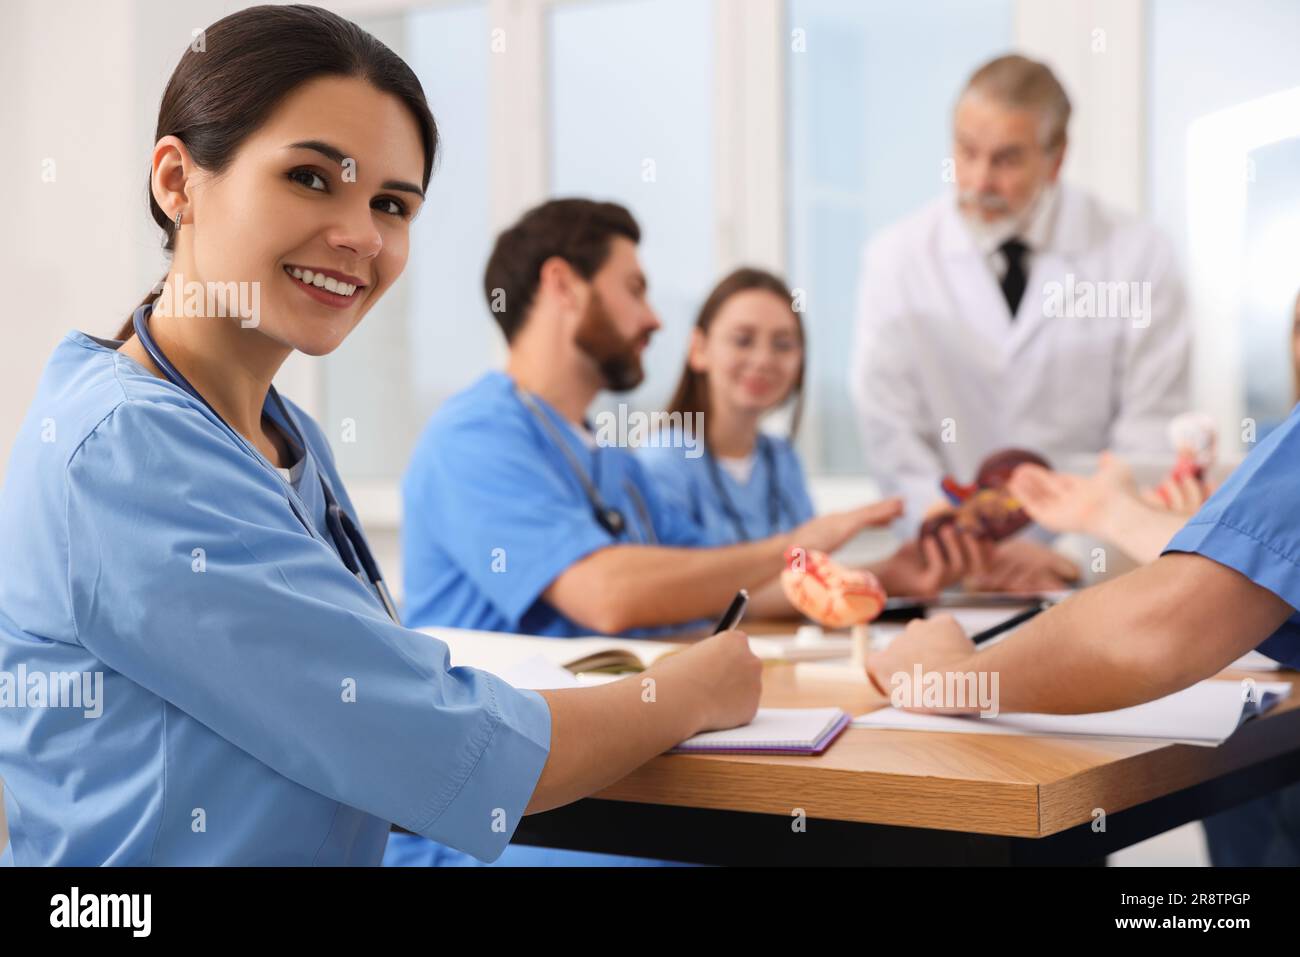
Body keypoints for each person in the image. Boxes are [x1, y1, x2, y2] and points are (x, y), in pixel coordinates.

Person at [0, 4, 762, 866]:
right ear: (177, 181)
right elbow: (442, 744)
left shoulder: (287, 437)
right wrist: (687, 688)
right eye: (312, 178)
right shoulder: (127, 453)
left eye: (392, 203)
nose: (362, 235)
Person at [850, 53, 1191, 588]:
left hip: (1087, 573)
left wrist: (1080, 550)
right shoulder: (896, 259)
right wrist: (948, 533)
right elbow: (889, 427)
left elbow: (1147, 432)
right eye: (966, 152)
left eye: (1007, 160)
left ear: (1056, 159)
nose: (980, 179)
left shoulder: (1138, 256)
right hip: (951, 569)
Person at [639, 266, 987, 605]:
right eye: (743, 340)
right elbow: (687, 601)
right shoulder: (662, 463)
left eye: (783, 344)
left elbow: (800, 580)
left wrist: (891, 573)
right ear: (699, 349)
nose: (763, 359)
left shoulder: (780, 460)